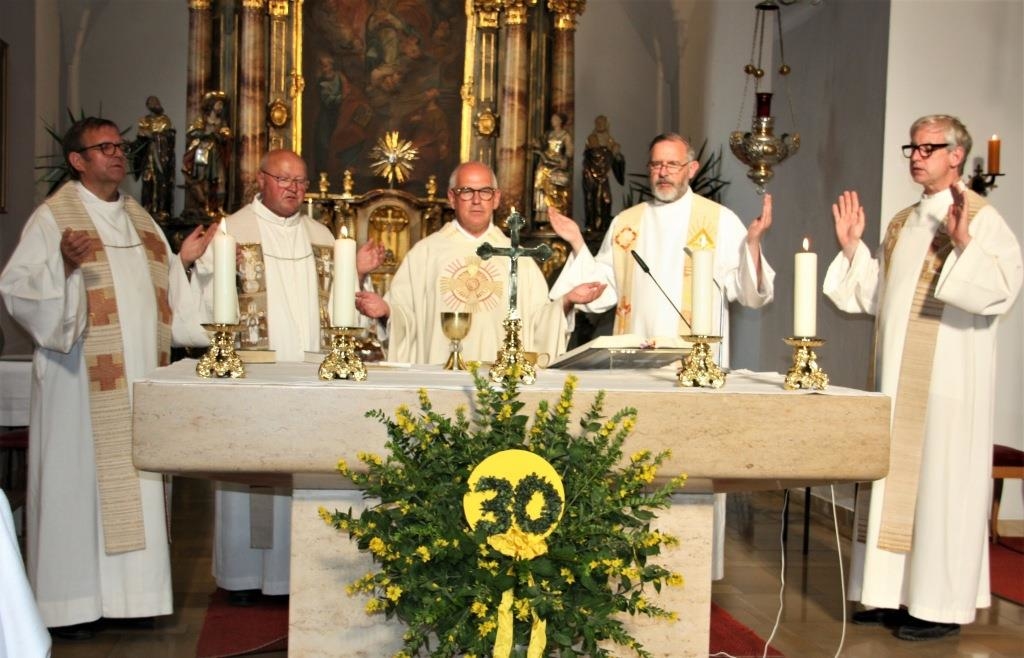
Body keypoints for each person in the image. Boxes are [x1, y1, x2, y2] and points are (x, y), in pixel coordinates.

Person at [0, 117, 214, 639]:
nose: (119, 155)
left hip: (138, 382)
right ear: (78, 160)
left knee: (136, 486)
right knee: (75, 488)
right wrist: (65, 270)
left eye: (121, 146)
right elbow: (20, 290)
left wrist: (182, 262)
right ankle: (69, 606)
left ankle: (134, 598)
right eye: (106, 147)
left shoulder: (141, 222)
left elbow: (172, 306)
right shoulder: (55, 219)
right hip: (78, 383)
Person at [824, 115, 1022, 641]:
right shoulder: (902, 221)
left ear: (957, 155)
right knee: (898, 486)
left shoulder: (980, 218)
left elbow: (1002, 289)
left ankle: (938, 605)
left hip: (948, 386)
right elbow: (877, 298)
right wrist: (852, 250)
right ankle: (894, 595)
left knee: (941, 486)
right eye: (912, 145)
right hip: (898, 384)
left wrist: (963, 247)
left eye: (930, 147)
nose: (917, 154)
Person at [548, 132, 776, 579]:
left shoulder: (720, 220)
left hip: (694, 370)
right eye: (655, 165)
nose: (662, 173)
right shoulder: (626, 222)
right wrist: (578, 248)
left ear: (691, 169)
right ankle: (626, 562)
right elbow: (604, 288)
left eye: (672, 165)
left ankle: (692, 566)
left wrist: (752, 244)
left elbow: (748, 294)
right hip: (634, 368)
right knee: (632, 463)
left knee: (691, 467)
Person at [193, 149, 385, 604]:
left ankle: (298, 574)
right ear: (261, 179)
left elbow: (342, 304)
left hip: (312, 377)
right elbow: (203, 294)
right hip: (252, 376)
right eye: (284, 179)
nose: (293, 189)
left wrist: (354, 272)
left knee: (305, 473)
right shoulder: (232, 232)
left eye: (300, 181)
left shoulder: (321, 236)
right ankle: (241, 579)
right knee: (247, 472)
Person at [356, 161, 603, 364]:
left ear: (496, 199)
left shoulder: (516, 256)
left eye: (485, 192)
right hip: (439, 381)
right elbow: (406, 320)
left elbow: (538, 323)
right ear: (452, 198)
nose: (477, 200)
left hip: (500, 387)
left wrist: (567, 301)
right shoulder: (426, 254)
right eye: (467, 192)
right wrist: (387, 312)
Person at [182, 91, 232, 219]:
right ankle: (206, 207)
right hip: (203, 153)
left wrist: (223, 135)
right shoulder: (202, 120)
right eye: (218, 104)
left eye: (221, 104)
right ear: (211, 104)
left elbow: (226, 134)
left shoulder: (221, 121)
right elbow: (191, 132)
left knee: (220, 180)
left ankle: (219, 208)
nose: (220, 107)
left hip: (216, 153)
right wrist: (205, 134)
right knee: (204, 181)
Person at [133, 95, 176, 220]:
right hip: (148, 157)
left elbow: (170, 137)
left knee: (162, 182)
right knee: (148, 181)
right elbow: (141, 135)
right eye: (151, 103)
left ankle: (162, 209)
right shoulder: (144, 120)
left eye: (156, 102)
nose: (155, 105)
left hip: (161, 158)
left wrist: (156, 136)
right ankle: (148, 207)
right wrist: (146, 136)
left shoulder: (165, 120)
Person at [581, 115, 625, 234]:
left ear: (606, 124)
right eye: (598, 122)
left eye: (602, 122)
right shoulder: (591, 138)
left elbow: (613, 159)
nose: (600, 125)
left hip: (603, 176)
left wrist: (617, 155)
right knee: (592, 200)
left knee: (606, 200)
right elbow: (591, 156)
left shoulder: (610, 140)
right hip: (591, 175)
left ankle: (604, 226)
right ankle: (593, 226)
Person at [532, 113, 573, 221]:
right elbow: (542, 146)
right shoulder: (548, 134)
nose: (553, 121)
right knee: (542, 188)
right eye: (552, 119)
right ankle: (543, 217)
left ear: (560, 121)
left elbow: (569, 151)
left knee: (554, 190)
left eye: (555, 119)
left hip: (556, 163)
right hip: (545, 161)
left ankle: (555, 217)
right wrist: (537, 145)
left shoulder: (565, 135)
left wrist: (565, 159)